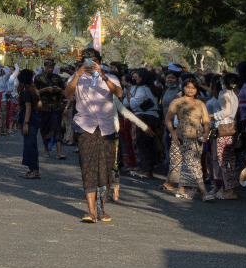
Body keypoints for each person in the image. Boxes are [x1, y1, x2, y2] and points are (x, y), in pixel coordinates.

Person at [64, 47, 121, 223]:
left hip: (107, 128)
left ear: (99, 61)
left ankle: (101, 209)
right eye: (87, 61)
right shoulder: (77, 78)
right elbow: (67, 93)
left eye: (94, 60)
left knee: (106, 168)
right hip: (86, 127)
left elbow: (119, 94)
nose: (91, 64)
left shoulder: (110, 77)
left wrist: (102, 75)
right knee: (88, 167)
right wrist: (78, 74)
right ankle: (91, 212)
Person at [163, 76, 209, 199]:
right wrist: (172, 133)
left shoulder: (200, 103)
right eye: (188, 87)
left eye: (193, 88)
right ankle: (204, 191)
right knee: (193, 164)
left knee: (190, 164)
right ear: (183, 88)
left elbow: (206, 121)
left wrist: (205, 134)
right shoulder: (177, 101)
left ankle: (181, 189)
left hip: (197, 137)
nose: (190, 90)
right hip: (182, 135)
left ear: (197, 90)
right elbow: (168, 119)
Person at [207, 73, 240, 201]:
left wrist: (212, 116)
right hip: (232, 127)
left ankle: (228, 190)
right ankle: (226, 188)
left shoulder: (224, 94)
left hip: (223, 128)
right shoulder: (234, 95)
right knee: (228, 160)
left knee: (222, 160)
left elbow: (225, 112)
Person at [126, 71, 162, 180]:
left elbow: (132, 103)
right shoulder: (154, 89)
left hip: (142, 118)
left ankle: (146, 170)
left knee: (141, 144)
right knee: (149, 144)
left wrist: (130, 96)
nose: (134, 79)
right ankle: (146, 169)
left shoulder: (143, 89)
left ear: (142, 78)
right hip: (154, 117)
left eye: (136, 77)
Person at [34, 59, 67, 160]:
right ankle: (46, 150)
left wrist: (59, 90)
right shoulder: (38, 78)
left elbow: (64, 91)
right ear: (44, 66)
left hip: (56, 106)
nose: (50, 69)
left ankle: (59, 152)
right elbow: (35, 92)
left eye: (52, 67)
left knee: (58, 128)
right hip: (43, 107)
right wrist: (45, 90)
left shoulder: (57, 78)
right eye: (48, 67)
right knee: (45, 128)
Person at [17, 69, 41, 179]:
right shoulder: (33, 88)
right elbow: (39, 104)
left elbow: (28, 107)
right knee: (32, 145)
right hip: (35, 118)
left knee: (29, 145)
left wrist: (25, 123)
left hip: (29, 119)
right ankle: (32, 169)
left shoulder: (26, 90)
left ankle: (34, 170)